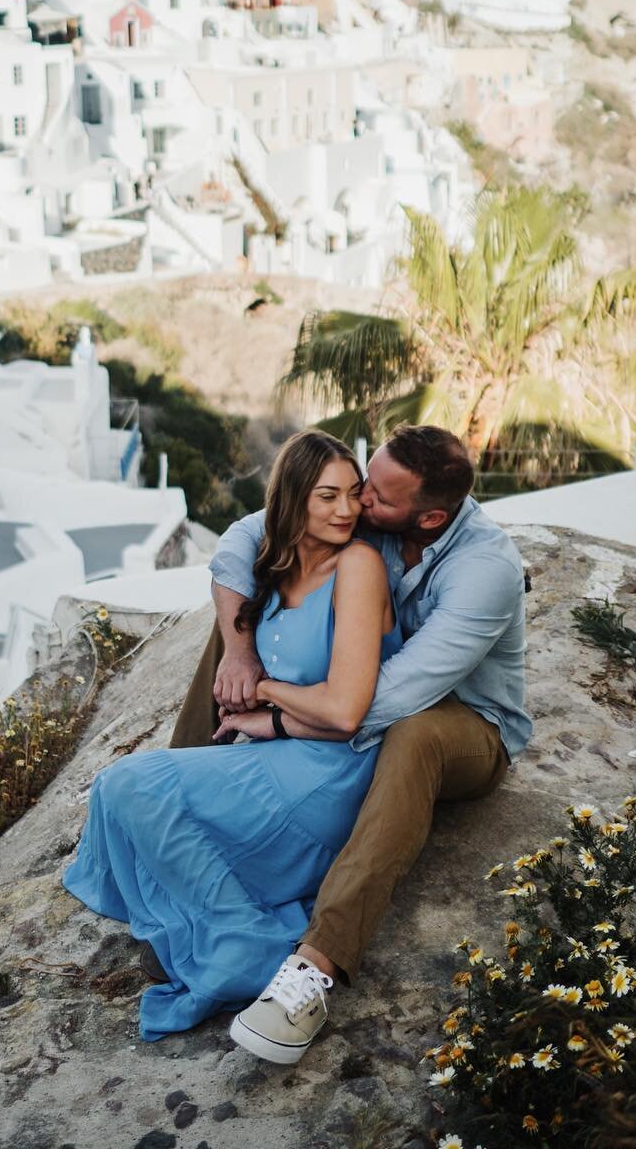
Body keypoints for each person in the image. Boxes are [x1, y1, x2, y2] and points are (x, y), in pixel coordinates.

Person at [177, 423, 530, 1064]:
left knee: (413, 734)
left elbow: (386, 700)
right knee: (244, 614)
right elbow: (243, 539)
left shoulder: (486, 570)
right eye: (363, 480)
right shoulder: (371, 513)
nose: (359, 500)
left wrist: (276, 710)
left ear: (429, 517)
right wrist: (241, 652)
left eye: (376, 498)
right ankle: (189, 776)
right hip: (354, 699)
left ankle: (314, 968)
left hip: (465, 728)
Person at [61, 430, 399, 1042]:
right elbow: (229, 562)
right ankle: (233, 920)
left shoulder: (359, 563)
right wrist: (245, 669)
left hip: (330, 771)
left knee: (128, 787)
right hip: (288, 750)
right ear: (291, 502)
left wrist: (264, 700)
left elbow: (348, 711)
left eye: (354, 494)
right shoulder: (273, 560)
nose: (347, 510)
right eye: (327, 496)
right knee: (118, 794)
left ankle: (246, 945)